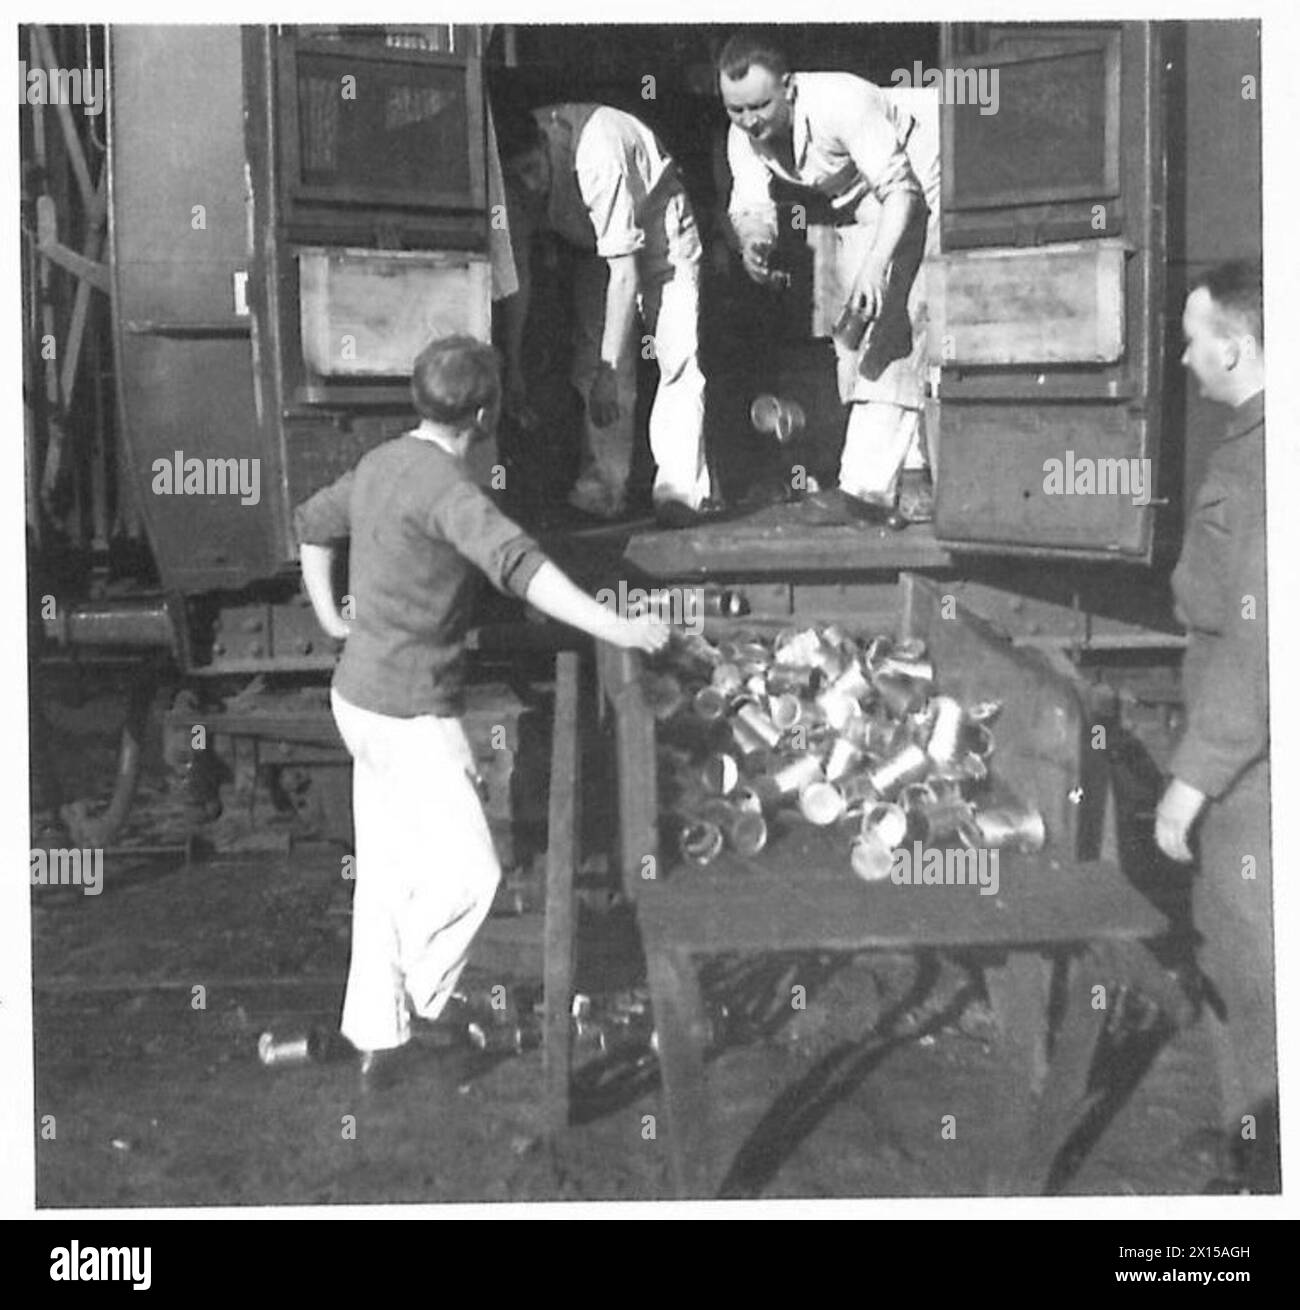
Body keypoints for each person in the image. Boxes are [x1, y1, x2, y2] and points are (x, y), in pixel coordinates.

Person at [293, 335, 670, 1089]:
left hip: (356, 698)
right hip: (407, 713)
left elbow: (310, 522)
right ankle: (426, 1008)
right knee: (473, 873)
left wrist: (331, 616)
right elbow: (522, 570)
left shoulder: (381, 462)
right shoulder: (450, 491)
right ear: (486, 411)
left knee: (389, 874)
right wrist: (620, 626)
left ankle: (377, 1036)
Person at [1154, 261, 1275, 1191]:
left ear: (1235, 347)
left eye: (1196, 338)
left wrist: (1190, 782)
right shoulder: (1251, 442)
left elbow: (1263, 642)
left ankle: (1265, 1165)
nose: (1186, 356)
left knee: (1252, 959)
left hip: (1253, 770)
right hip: (1244, 750)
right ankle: (1251, 1146)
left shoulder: (1268, 460)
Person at [718, 32, 939, 526]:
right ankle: (914, 476)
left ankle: (865, 489)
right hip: (861, 200)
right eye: (736, 110)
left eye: (760, 105)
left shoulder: (842, 102)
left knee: (893, 316)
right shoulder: (745, 136)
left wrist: (875, 267)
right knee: (852, 331)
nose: (750, 121)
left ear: (790, 88)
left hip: (924, 170)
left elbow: (902, 192)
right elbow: (751, 207)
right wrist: (755, 243)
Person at [495, 100, 714, 527]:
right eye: (515, 175)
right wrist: (515, 364)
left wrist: (609, 373)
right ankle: (603, 492)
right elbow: (518, 273)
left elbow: (626, 275)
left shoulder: (597, 152)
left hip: (659, 230)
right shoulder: (508, 188)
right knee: (592, 364)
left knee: (675, 357)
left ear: (545, 142)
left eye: (532, 169)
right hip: (597, 244)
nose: (529, 184)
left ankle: (680, 494)